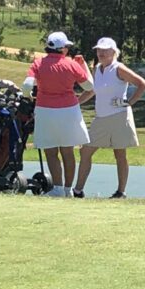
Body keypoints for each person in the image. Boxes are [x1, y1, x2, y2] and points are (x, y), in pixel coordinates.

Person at [73, 37, 145, 199]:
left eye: (105, 50)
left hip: (119, 117)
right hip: (101, 118)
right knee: (85, 151)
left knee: (120, 154)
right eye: (99, 50)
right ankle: (78, 190)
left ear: (114, 52)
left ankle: (121, 192)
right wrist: (76, 103)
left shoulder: (118, 68)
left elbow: (142, 84)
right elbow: (92, 90)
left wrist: (129, 102)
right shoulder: (97, 69)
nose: (101, 53)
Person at [23, 31, 93, 197]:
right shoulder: (71, 64)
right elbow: (89, 87)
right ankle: (68, 190)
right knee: (67, 151)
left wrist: (29, 96)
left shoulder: (39, 62)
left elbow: (26, 86)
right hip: (68, 111)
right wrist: (83, 67)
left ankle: (57, 188)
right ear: (63, 49)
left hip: (45, 111)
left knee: (50, 151)